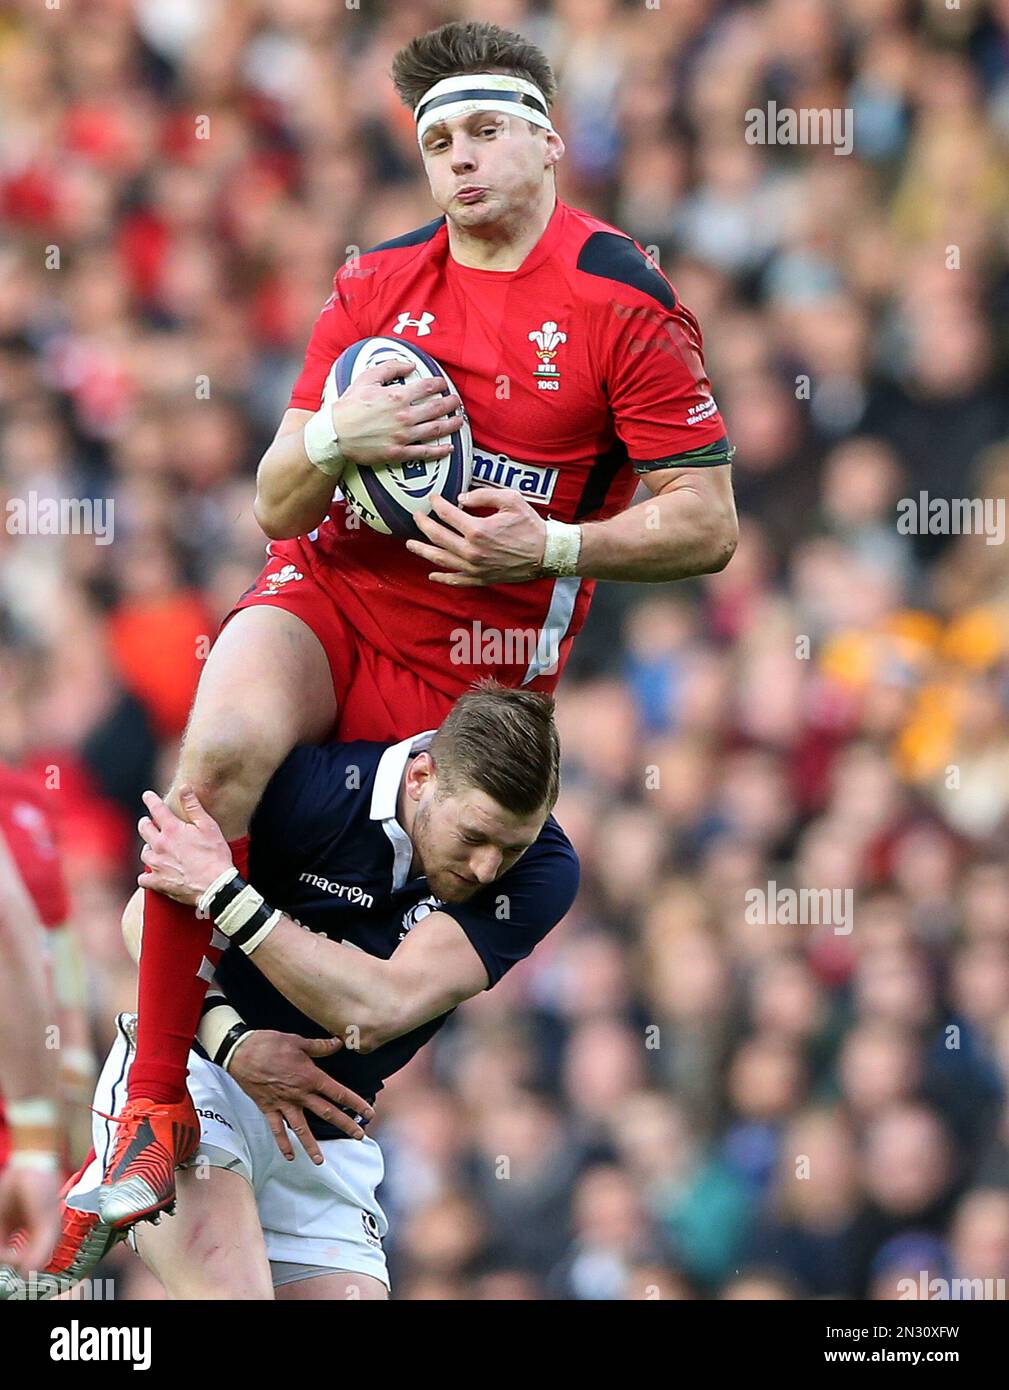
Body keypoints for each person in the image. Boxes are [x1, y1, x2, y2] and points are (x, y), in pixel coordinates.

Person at [101, 18, 736, 1231]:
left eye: (487, 129)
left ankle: (293, 1145)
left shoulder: (625, 301)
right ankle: (151, 1105)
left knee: (375, 961)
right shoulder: (376, 283)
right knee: (218, 766)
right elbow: (273, 500)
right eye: (438, 138)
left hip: (480, 669)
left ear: (549, 142)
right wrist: (338, 439)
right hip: (331, 595)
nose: (460, 157)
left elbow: (705, 522)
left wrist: (547, 545)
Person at [33, 683, 578, 1299]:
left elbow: (379, 1007)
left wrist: (228, 897)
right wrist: (233, 1043)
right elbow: (143, 922)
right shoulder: (309, 788)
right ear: (422, 776)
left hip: (323, 1137)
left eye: (511, 847)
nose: (487, 869)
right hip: (200, 1078)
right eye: (475, 836)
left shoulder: (545, 870)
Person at [0, 764, 92, 1277]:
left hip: (24, 1067)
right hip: (22, 1094)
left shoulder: (26, 796)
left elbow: (59, 933)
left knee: (42, 1267)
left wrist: (74, 1061)